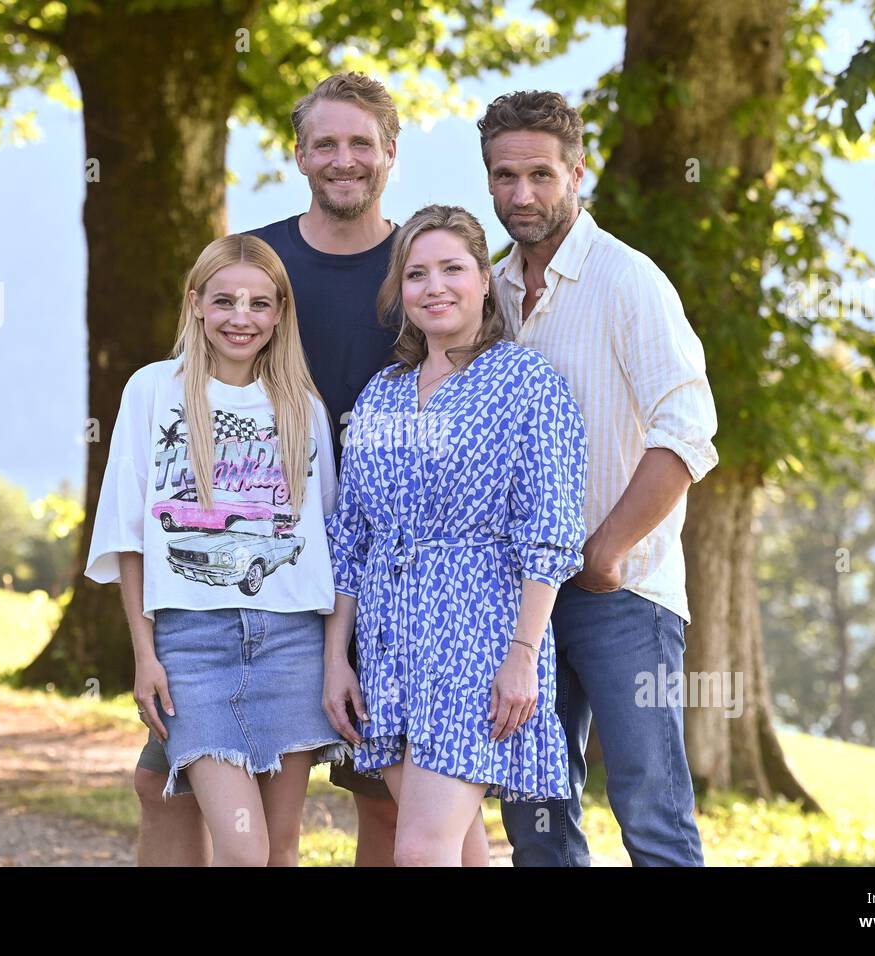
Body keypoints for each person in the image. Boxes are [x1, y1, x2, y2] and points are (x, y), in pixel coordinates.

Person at [130, 72, 489, 866]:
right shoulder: (260, 264)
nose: (344, 159)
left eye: (362, 143)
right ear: (299, 155)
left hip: (378, 571)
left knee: (392, 799)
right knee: (164, 785)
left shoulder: (420, 270)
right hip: (237, 587)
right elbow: (189, 403)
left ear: (390, 153)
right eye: (325, 143)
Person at [480, 90, 720, 867]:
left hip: (624, 596)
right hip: (522, 599)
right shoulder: (488, 290)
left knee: (650, 811)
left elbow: (687, 430)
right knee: (536, 816)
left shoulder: (628, 282)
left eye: (541, 175)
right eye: (505, 176)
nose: (523, 195)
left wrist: (607, 550)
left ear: (577, 172)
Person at [323, 204, 589, 866]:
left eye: (452, 268)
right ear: (399, 290)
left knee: (418, 850)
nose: (434, 286)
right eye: (416, 274)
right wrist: (336, 660)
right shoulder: (381, 394)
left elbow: (550, 533)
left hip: (478, 641)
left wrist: (523, 654)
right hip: (387, 650)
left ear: (483, 279)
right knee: (456, 850)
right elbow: (351, 537)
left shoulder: (527, 384)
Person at [84, 233, 348, 866]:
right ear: (196, 304)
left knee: (281, 847)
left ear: (279, 312)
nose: (241, 318)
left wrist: (337, 658)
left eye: (259, 303)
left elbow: (333, 547)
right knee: (243, 846)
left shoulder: (303, 410)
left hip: (292, 646)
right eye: (225, 300)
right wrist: (144, 653)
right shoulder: (152, 391)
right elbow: (129, 535)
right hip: (192, 649)